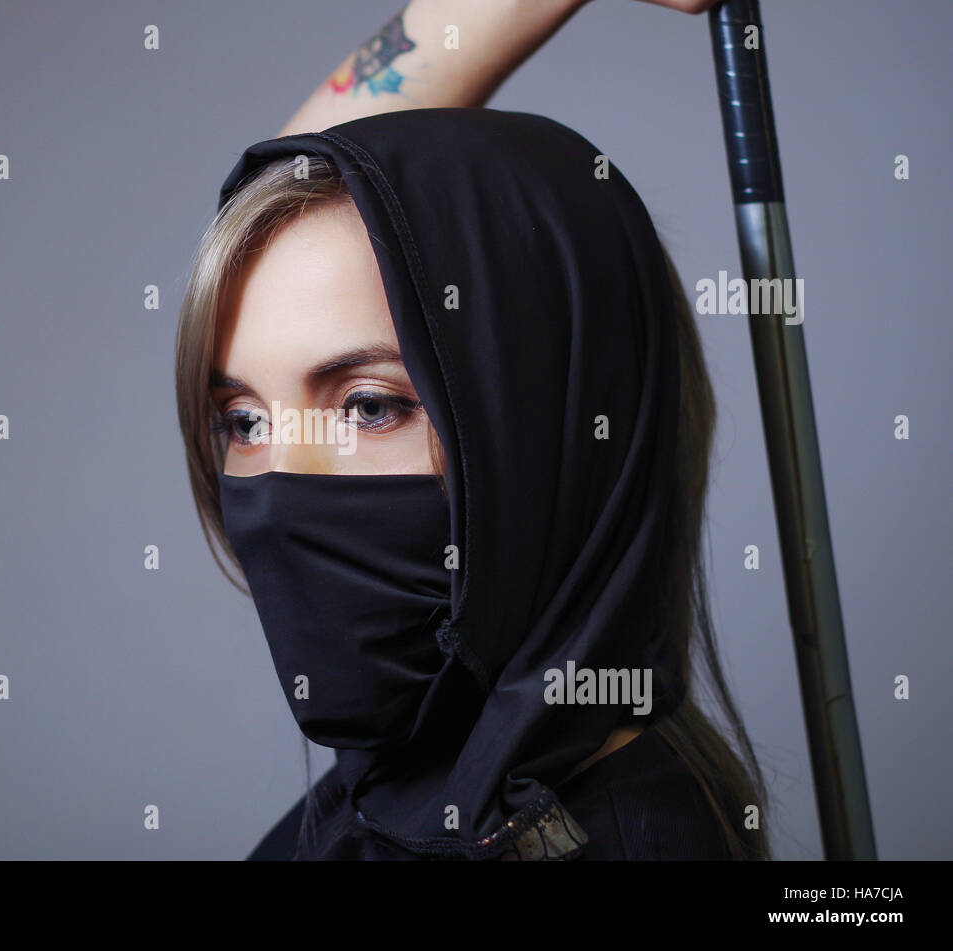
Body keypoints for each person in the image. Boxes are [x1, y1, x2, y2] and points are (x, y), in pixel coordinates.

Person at [174, 1, 768, 861]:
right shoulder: (431, 775)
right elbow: (290, 212)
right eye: (244, 418)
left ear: (548, 432)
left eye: (369, 406)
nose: (279, 485)